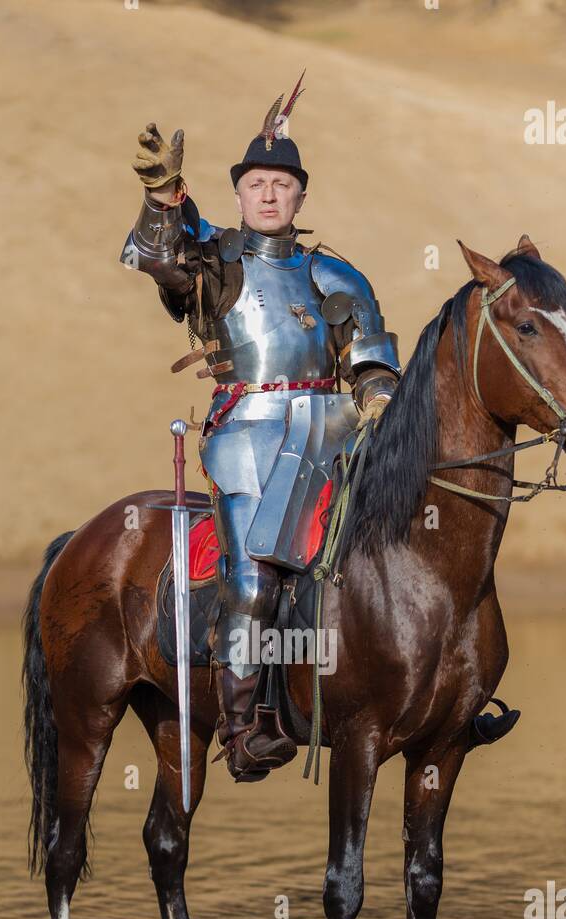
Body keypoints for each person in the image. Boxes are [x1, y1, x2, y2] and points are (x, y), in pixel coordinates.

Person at [120, 78, 403, 781]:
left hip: (332, 430)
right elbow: (159, 258)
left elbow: (371, 360)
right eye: (256, 184)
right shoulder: (215, 261)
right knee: (253, 580)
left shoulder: (338, 274)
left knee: (408, 542)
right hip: (247, 431)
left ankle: (438, 693)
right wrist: (163, 200)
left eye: (282, 184)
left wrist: (375, 397)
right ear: (240, 194)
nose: (269, 195)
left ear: (300, 196)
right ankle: (244, 730)